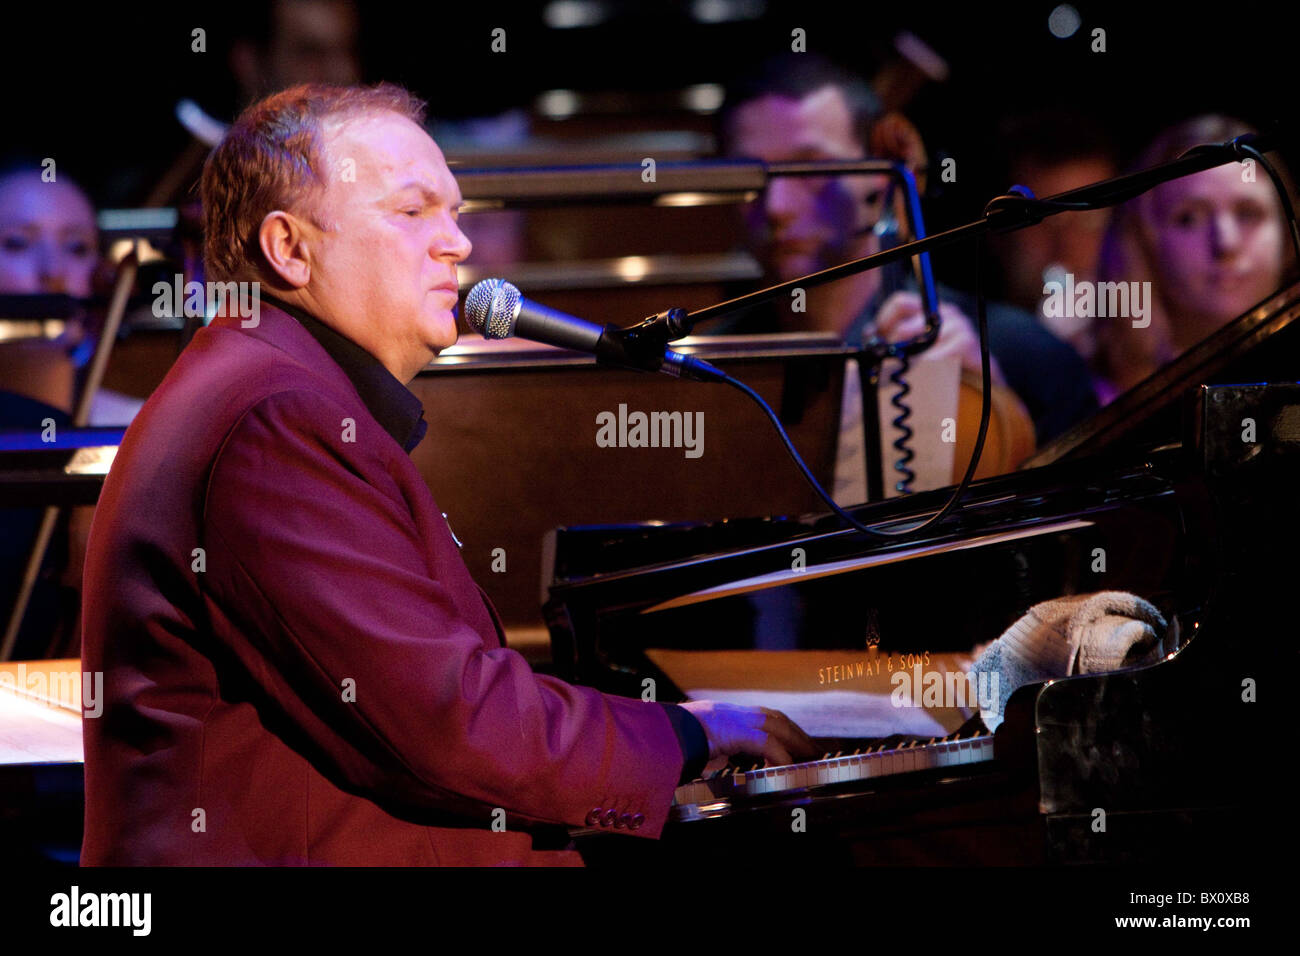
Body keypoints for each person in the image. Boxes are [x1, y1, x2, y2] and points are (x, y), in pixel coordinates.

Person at [79, 82, 816, 866]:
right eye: (412, 211)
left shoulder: (267, 386)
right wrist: (683, 734)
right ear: (289, 248)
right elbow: (443, 716)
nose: (457, 244)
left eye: (456, 213)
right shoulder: (275, 419)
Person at [716, 54, 1099, 450]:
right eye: (750, 176)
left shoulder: (1024, 357)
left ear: (881, 174)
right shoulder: (708, 372)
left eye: (810, 167)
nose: (776, 205)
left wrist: (996, 416)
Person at [1093, 115, 1293, 401]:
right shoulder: (1083, 395)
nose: (1226, 242)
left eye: (1248, 213)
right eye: (1189, 218)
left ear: (1286, 232)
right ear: (1143, 240)